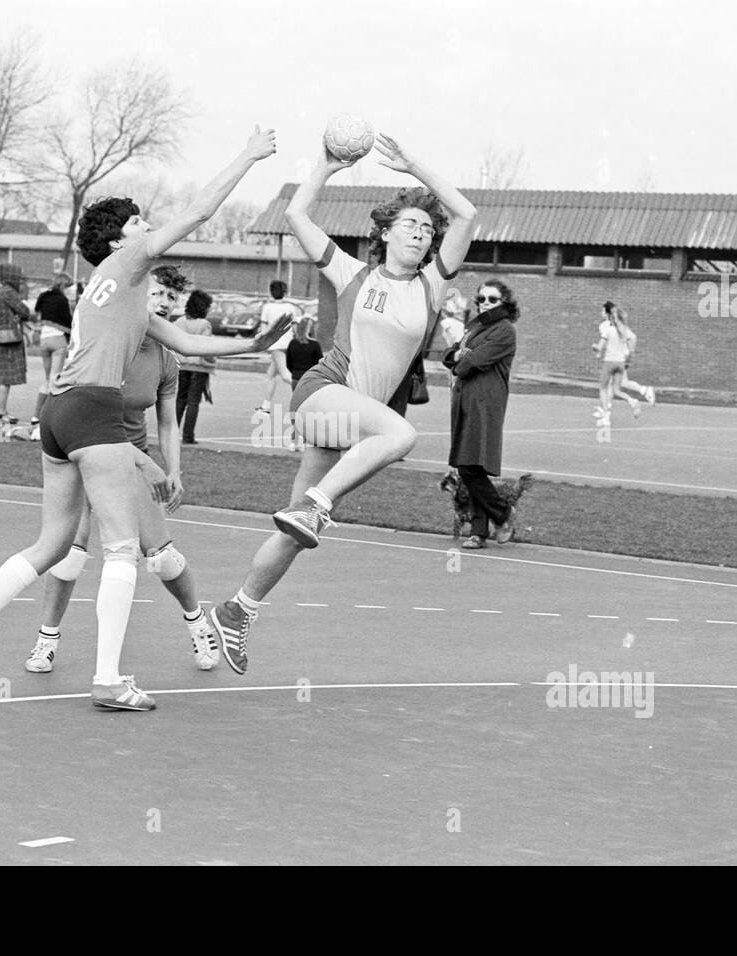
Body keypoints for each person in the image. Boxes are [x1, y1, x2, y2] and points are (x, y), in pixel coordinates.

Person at [0, 126, 287, 711]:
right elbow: (200, 211)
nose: (148, 227)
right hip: (94, 411)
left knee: (51, 543)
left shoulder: (117, 289)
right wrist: (247, 154)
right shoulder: (128, 262)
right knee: (123, 549)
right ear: (121, 237)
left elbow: (188, 346)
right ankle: (107, 681)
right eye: (139, 220)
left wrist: (257, 339)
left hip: (57, 414)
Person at [209, 133, 476, 674]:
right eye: (410, 225)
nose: (422, 234)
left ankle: (236, 610)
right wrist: (325, 166)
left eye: (427, 230)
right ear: (384, 233)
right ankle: (316, 504)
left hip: (350, 424)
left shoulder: (432, 285)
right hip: (323, 393)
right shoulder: (352, 272)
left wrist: (415, 166)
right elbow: (299, 213)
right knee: (400, 435)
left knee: (293, 535)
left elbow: (467, 213)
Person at [25, 265, 222, 675]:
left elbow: (168, 424)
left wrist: (175, 472)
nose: (164, 303)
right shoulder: (110, 342)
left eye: (171, 297)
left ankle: (199, 622)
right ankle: (46, 640)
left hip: (132, 459)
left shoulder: (167, 360)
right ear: (139, 296)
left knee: (163, 559)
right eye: (157, 294)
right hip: (85, 451)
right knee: (68, 554)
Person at [443, 280, 519, 549]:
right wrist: (459, 356)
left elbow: (469, 364)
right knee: (469, 465)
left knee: (469, 465)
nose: (485, 303)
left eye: (492, 299)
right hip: (465, 400)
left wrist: (462, 357)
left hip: (484, 403)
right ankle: (478, 531)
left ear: (504, 303)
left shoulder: (504, 331)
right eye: (482, 298)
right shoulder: (476, 326)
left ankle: (503, 513)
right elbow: (449, 355)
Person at [252, 279, 302, 420]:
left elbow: (263, 328)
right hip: (289, 343)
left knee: (286, 375)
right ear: (285, 292)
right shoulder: (291, 307)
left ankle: (306, 392)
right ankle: (265, 407)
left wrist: (261, 343)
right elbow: (295, 327)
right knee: (270, 375)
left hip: (275, 344)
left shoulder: (268, 307)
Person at [173, 288, 216, 444]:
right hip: (199, 367)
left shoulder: (179, 322)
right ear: (203, 307)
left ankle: (172, 433)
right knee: (193, 402)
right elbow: (206, 347)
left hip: (182, 366)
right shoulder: (204, 324)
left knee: (180, 399)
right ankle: (188, 436)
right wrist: (212, 361)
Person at [31, 273, 74, 428]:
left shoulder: (43, 296)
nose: (69, 291)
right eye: (68, 287)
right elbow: (69, 322)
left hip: (44, 340)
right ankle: (49, 419)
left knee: (47, 380)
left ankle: (36, 416)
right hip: (58, 341)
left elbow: (36, 314)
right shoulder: (62, 300)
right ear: (63, 285)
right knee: (55, 380)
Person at [0, 263, 29, 424]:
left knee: (2, 377)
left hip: (1, 337)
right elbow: (25, 311)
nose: (19, 279)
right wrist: (20, 316)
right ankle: (0, 411)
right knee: (6, 378)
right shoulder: (9, 292)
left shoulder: (1, 292)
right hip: (10, 339)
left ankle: (0, 410)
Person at [283, 316, 323, 451]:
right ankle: (306, 441)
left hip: (296, 379)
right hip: (310, 380)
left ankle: (293, 441)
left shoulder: (293, 343)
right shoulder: (315, 345)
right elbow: (319, 364)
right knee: (310, 412)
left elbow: (288, 363)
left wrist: (295, 372)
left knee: (297, 410)